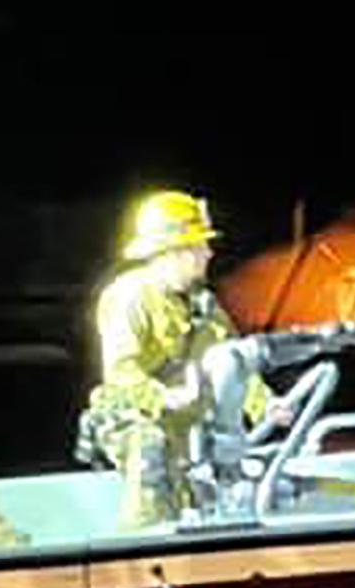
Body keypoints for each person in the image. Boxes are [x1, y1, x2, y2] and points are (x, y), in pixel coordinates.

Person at [78, 190, 267, 528]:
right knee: (149, 449)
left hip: (187, 425)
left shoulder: (203, 306)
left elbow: (231, 364)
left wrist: (265, 405)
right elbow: (122, 372)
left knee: (220, 471)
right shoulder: (128, 297)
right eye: (199, 246)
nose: (209, 253)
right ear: (173, 252)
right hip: (133, 417)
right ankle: (142, 548)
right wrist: (164, 398)